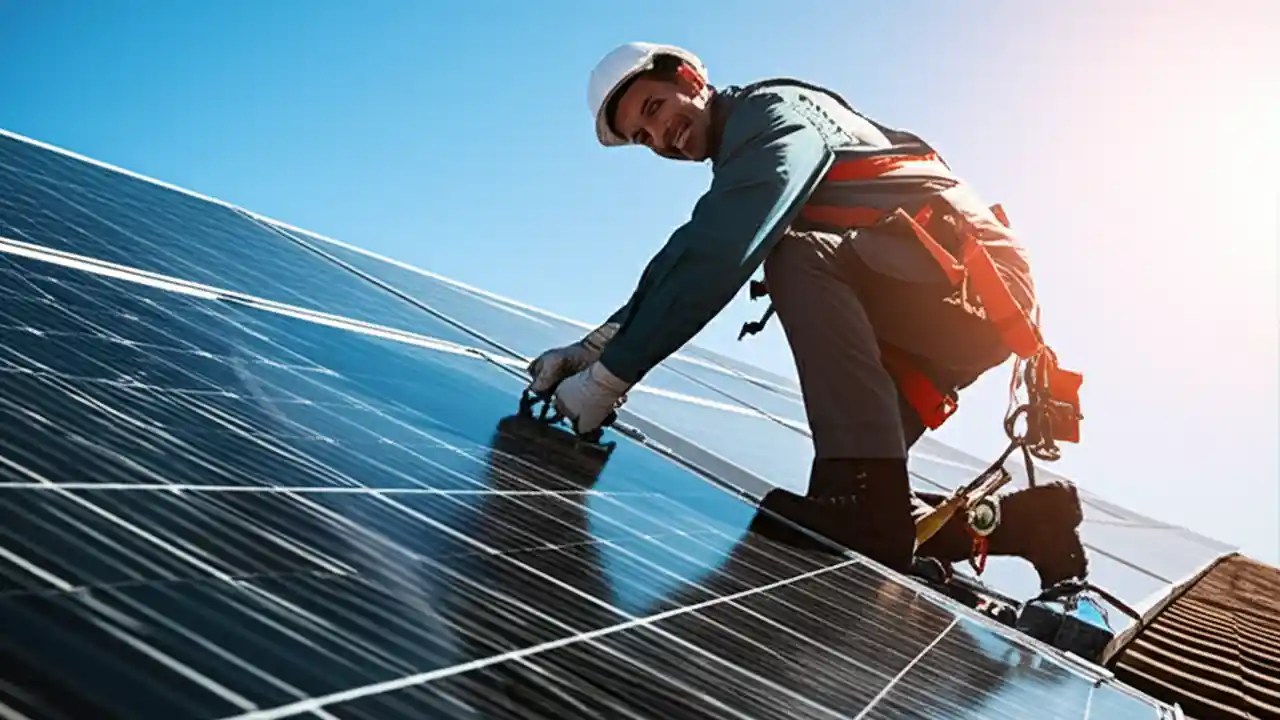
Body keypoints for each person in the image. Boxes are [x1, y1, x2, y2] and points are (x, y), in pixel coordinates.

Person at [526, 41, 1088, 590]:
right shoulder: (753, 143)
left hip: (963, 287)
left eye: (654, 109)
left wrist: (609, 379)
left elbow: (722, 248)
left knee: (793, 253)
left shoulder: (771, 116)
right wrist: (596, 346)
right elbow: (692, 249)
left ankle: (871, 503)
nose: (660, 139)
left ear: (691, 81)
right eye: (644, 138)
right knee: (854, 503)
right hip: (927, 302)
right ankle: (1034, 523)